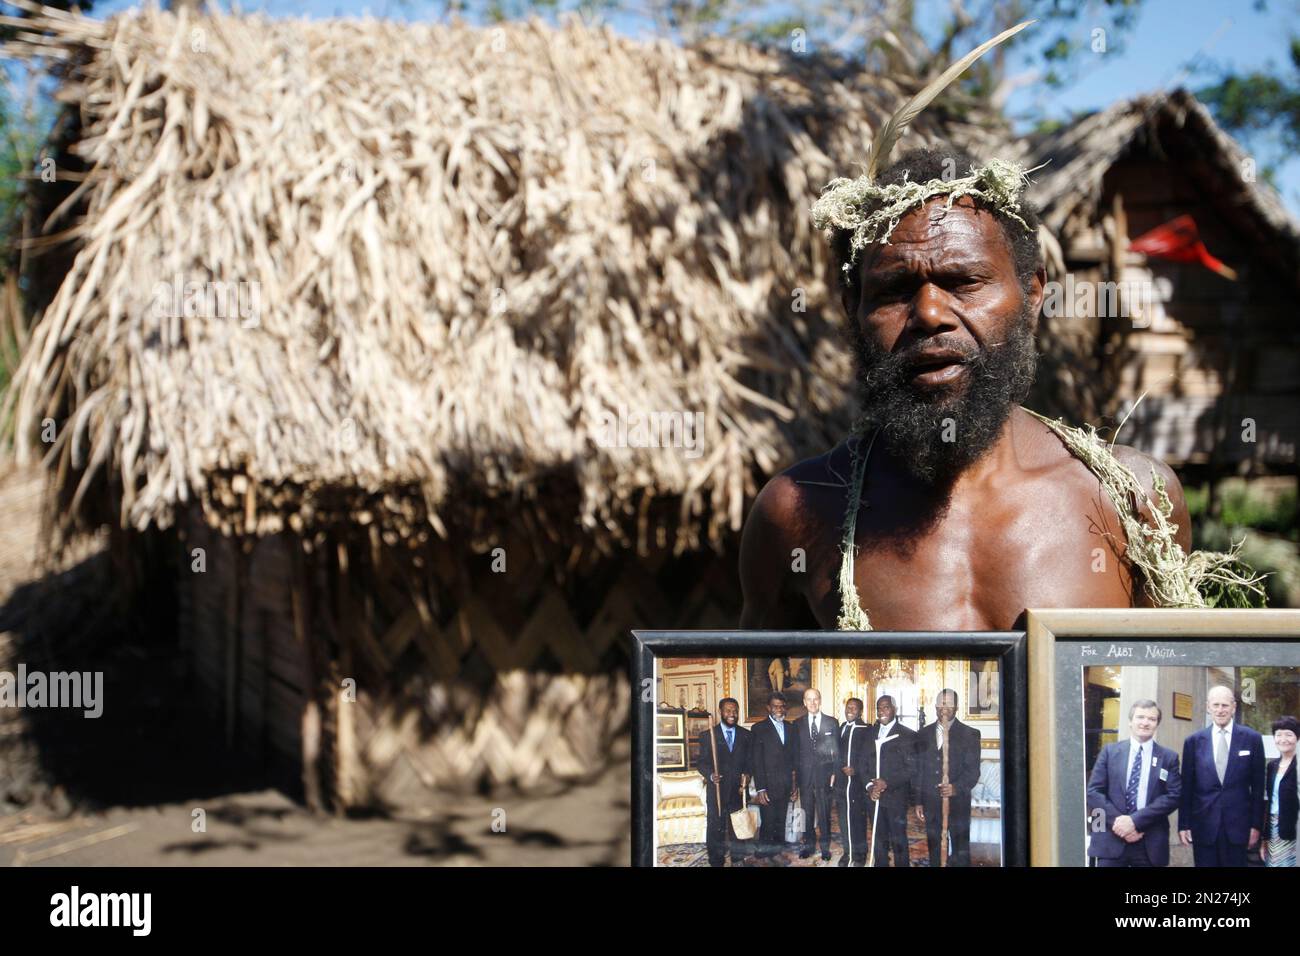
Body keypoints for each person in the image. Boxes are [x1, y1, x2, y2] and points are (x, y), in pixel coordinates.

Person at [1086, 699, 1181, 867]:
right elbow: (1094, 792)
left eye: (1151, 719)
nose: (1145, 723)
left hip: (1149, 843)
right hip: (1110, 839)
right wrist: (1121, 823)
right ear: (1130, 721)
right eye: (1140, 717)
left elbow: (1173, 796)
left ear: (1157, 724)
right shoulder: (1109, 751)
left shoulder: (1168, 757)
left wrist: (1135, 821)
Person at [1179, 685, 1266, 867]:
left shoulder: (1252, 738)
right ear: (1208, 707)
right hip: (1203, 825)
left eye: (1225, 705)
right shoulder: (1193, 742)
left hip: (1239, 827)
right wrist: (1183, 824)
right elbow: (1186, 787)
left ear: (1234, 707)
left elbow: (1258, 788)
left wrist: (1256, 826)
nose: (1220, 710)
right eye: (1216, 705)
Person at [913, 689, 980, 867]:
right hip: (931, 802)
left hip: (958, 802)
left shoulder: (970, 734)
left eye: (949, 703)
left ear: (956, 707)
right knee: (935, 846)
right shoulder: (922, 734)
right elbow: (918, 771)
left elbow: (973, 772)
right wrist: (918, 801)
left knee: (960, 848)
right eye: (941, 703)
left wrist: (955, 788)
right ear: (935, 706)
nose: (945, 707)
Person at [695, 697, 752, 867]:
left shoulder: (746, 735)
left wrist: (748, 774)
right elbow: (701, 763)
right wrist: (711, 775)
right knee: (715, 829)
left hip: (738, 791)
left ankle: (737, 859)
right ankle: (716, 861)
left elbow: (750, 761)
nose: (732, 714)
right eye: (728, 710)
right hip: (717, 791)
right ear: (720, 712)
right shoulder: (707, 736)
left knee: (737, 828)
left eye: (735, 710)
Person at [864, 695, 917, 867]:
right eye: (879, 708)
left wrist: (887, 782)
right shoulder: (869, 733)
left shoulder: (907, 735)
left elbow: (911, 769)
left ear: (895, 709)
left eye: (886, 707)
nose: (882, 711)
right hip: (874, 797)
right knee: (878, 840)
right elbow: (861, 763)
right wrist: (870, 786)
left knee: (898, 840)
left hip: (896, 798)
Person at [750, 691, 797, 859]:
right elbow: (756, 761)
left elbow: (793, 760)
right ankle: (768, 854)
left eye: (782, 706)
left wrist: (794, 785)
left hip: (784, 785)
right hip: (767, 786)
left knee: (780, 821)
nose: (779, 709)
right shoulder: (758, 729)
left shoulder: (791, 728)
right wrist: (760, 788)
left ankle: (772, 852)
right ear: (768, 708)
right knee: (768, 821)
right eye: (775, 706)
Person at [794, 688, 839, 860]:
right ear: (804, 702)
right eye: (809, 699)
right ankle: (809, 846)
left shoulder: (832, 722)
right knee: (807, 814)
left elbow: (837, 751)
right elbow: (795, 752)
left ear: (820, 701)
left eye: (815, 699)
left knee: (824, 814)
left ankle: (825, 848)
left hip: (825, 777)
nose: (812, 703)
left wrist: (834, 773)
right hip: (805, 777)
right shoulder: (797, 724)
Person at [834, 698, 870, 866]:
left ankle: (861, 854)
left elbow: (869, 756)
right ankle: (848, 852)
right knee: (843, 820)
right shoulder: (841, 727)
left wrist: (856, 769)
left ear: (860, 712)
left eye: (854, 708)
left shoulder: (866, 729)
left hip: (857, 784)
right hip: (842, 783)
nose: (850, 710)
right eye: (848, 707)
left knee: (857, 820)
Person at [1262, 715, 1299, 868]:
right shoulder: (1272, 766)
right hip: (1273, 827)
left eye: (1289, 734)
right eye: (1279, 734)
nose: (1283, 739)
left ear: (1297, 738)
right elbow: (1270, 800)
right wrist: (1265, 837)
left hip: (1294, 827)